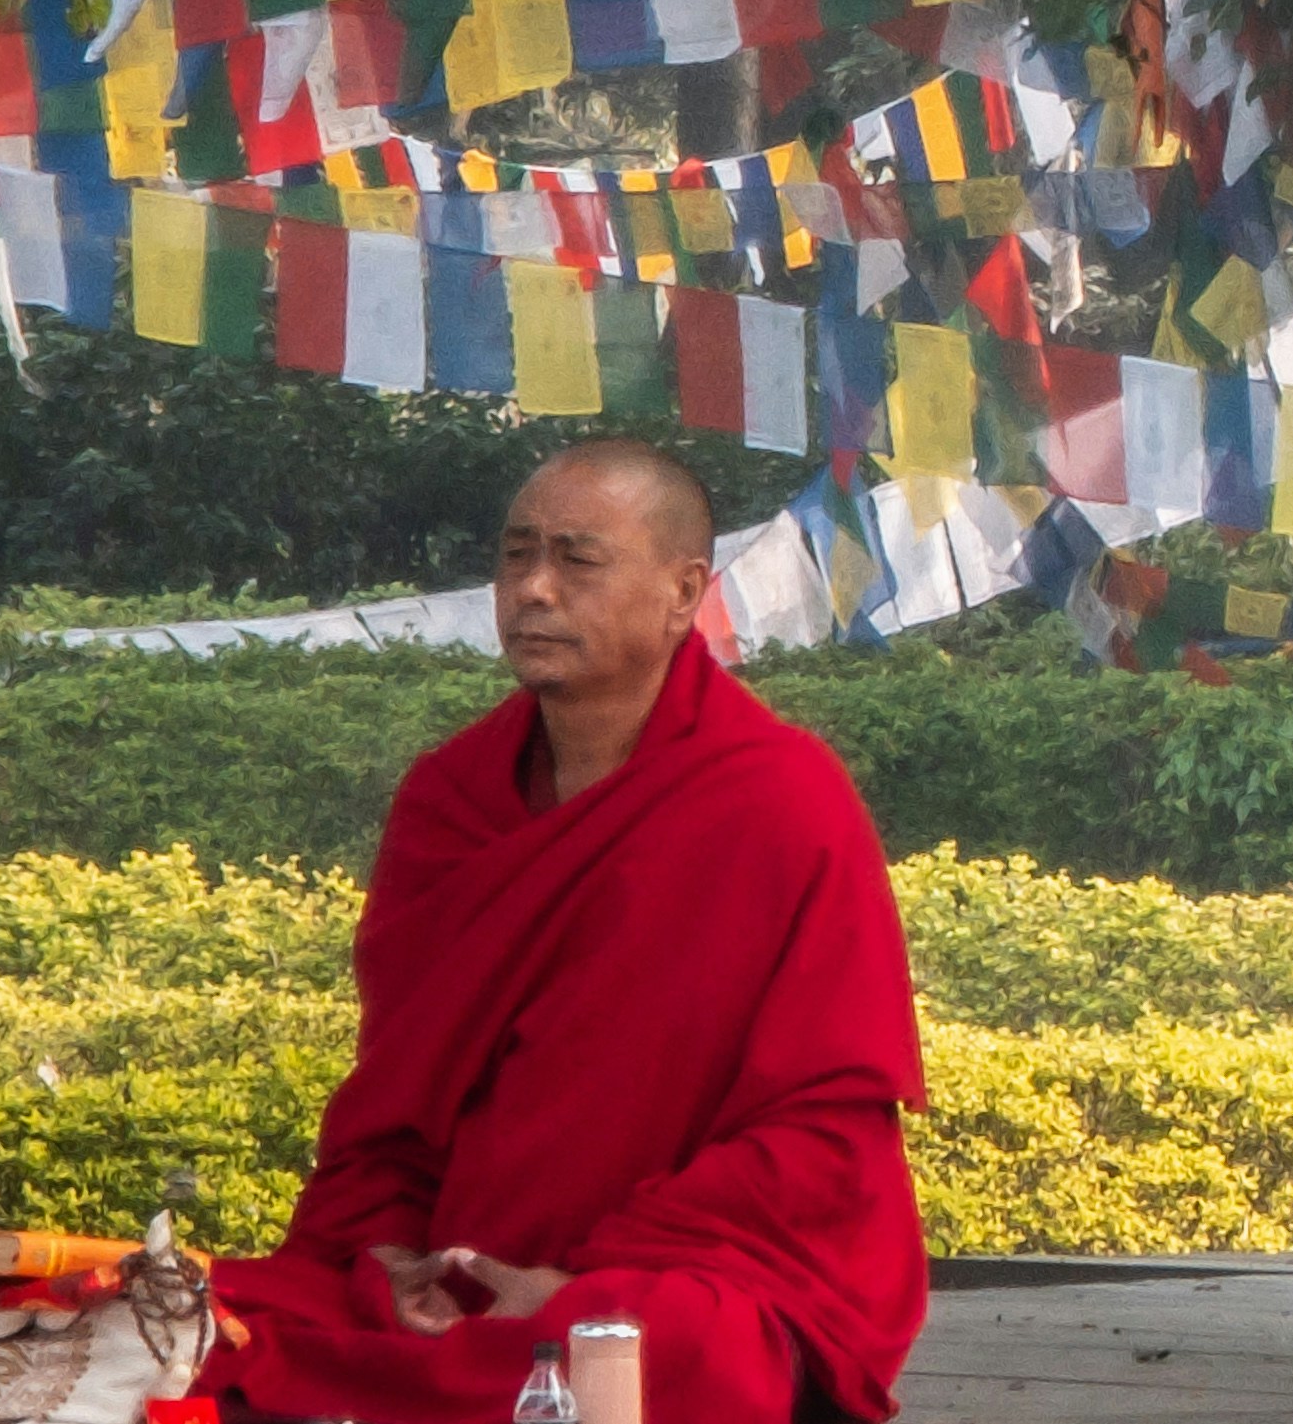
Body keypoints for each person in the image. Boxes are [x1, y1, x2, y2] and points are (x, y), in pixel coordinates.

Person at [203, 443, 930, 1424]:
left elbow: (824, 1135)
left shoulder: (781, 798)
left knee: (667, 1347)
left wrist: (586, 1276)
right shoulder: (451, 799)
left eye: (576, 559)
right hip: (457, 1271)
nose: (533, 589)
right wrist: (389, 1255)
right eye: (516, 555)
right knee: (175, 1313)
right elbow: (396, 1104)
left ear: (683, 593)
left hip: (669, 1270)